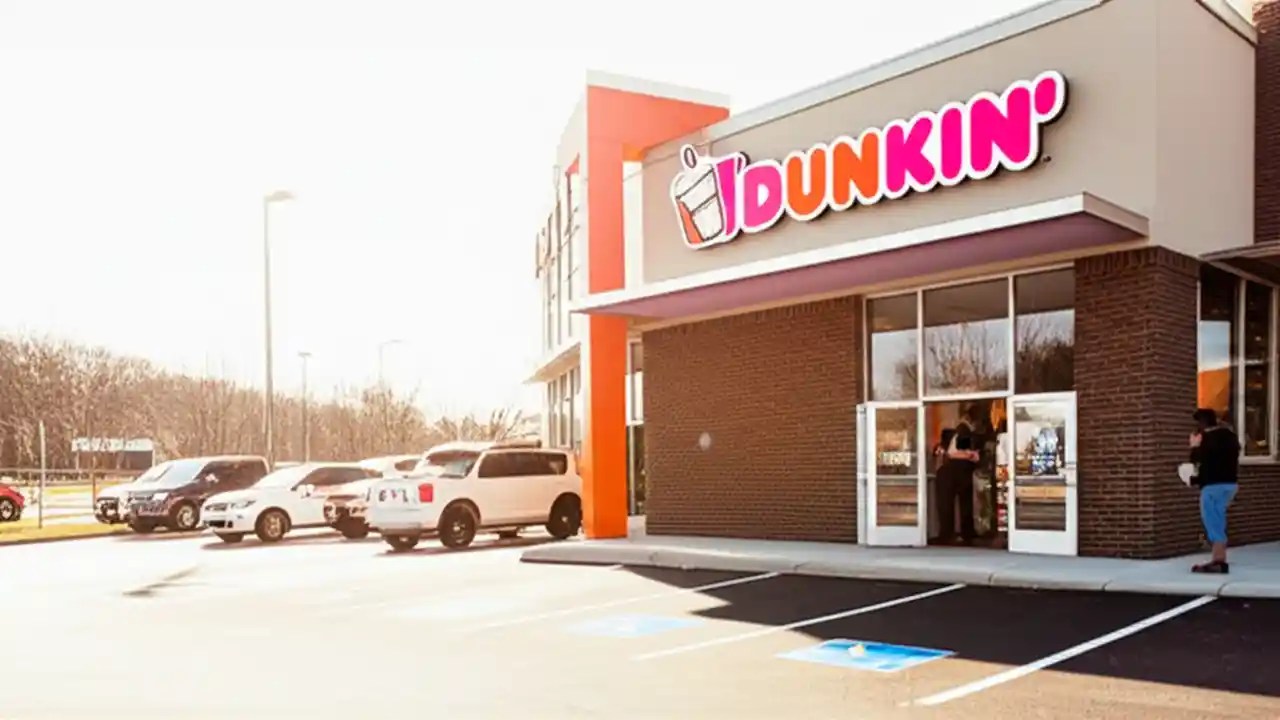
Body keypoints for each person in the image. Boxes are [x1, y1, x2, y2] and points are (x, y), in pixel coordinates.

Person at [1189, 408, 1239, 574]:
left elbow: (1198, 461)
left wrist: (1195, 446)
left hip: (1213, 486)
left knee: (1212, 521)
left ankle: (1219, 560)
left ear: (1202, 422)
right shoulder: (1230, 437)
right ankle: (1219, 556)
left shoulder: (1207, 439)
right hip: (1230, 484)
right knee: (1218, 518)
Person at [937, 422, 979, 545]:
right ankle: (964, 533)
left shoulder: (955, 437)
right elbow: (958, 453)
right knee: (963, 504)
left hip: (951, 473)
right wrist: (970, 455)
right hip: (959, 473)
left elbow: (952, 453)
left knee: (948, 505)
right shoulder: (963, 435)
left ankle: (949, 534)